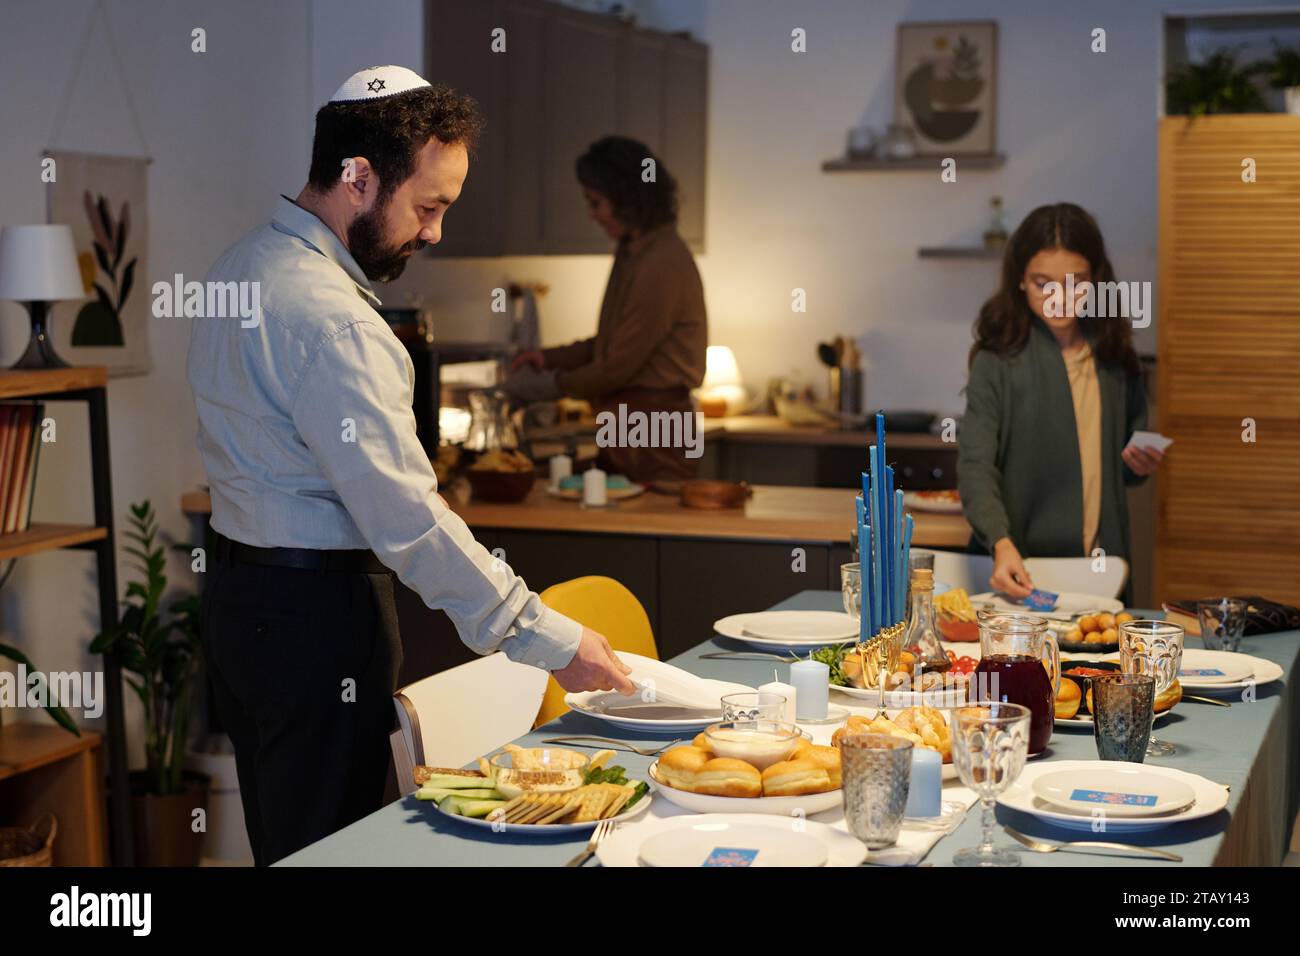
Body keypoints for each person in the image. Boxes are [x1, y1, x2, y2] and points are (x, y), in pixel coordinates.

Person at [186, 66, 633, 866]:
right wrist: (550, 638)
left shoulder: (238, 266)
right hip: (317, 621)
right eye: (428, 207)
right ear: (358, 177)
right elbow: (411, 524)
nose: (433, 233)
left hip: (239, 602)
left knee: (287, 847)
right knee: (340, 853)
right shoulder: (336, 320)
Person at [957, 202, 1164, 599]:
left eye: (1076, 282)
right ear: (1020, 279)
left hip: (1102, 571)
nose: (1060, 298)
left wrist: (1140, 461)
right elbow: (974, 465)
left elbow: (1124, 461)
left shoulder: (1114, 356)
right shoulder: (998, 360)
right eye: (1042, 283)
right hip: (1023, 571)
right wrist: (1000, 542)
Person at [507, 136, 707, 483]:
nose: (593, 215)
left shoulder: (661, 261)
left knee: (650, 526)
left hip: (655, 431)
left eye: (596, 202)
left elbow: (617, 366)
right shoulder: (634, 250)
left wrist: (543, 386)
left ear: (627, 198)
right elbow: (612, 343)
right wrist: (548, 358)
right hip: (631, 426)